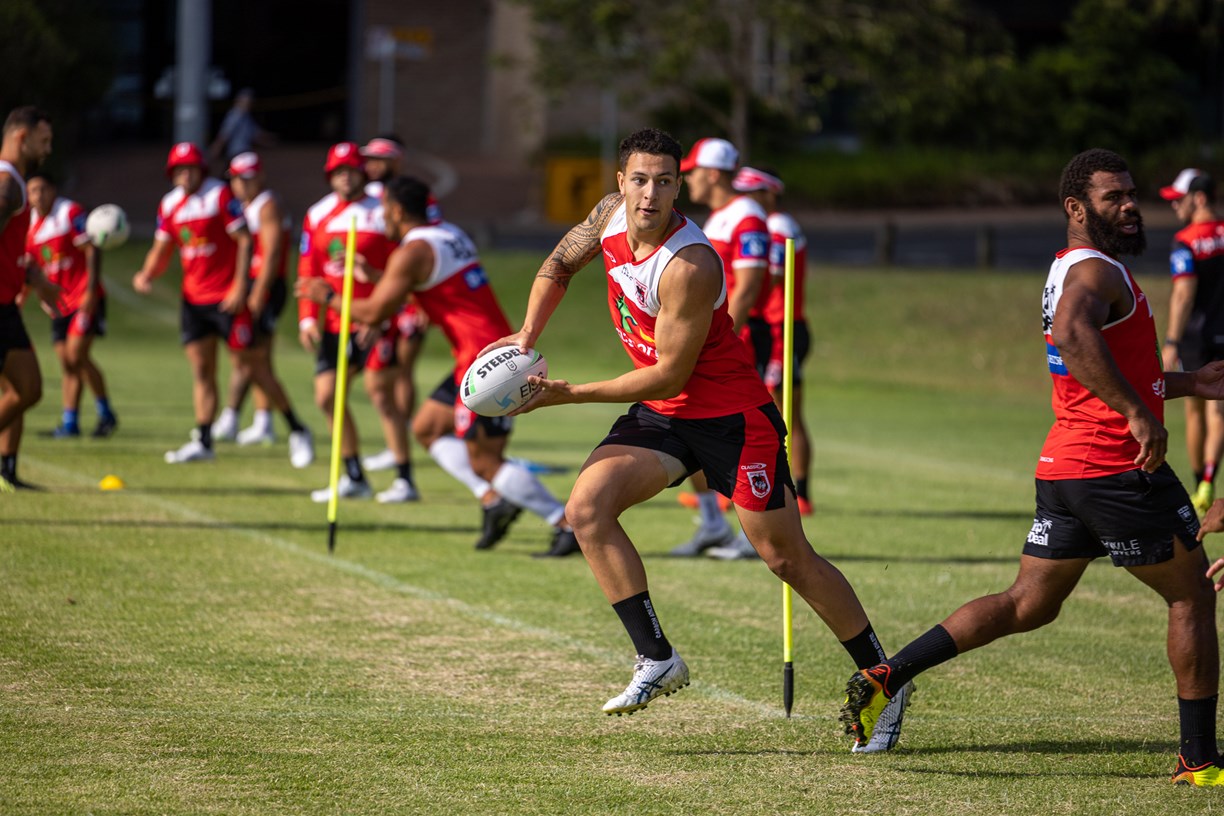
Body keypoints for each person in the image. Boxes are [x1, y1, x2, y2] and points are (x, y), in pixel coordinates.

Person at [487, 128, 910, 749]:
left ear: (679, 185)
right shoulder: (605, 219)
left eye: (664, 180)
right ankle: (655, 657)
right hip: (664, 413)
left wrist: (565, 395)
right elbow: (558, 264)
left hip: (731, 415)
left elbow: (669, 372)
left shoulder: (691, 263)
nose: (649, 193)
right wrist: (526, 336)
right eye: (639, 179)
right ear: (619, 183)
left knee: (786, 557)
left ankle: (886, 680)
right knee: (586, 510)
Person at [839, 148, 1224, 781]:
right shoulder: (1094, 274)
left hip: (1065, 467)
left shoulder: (1069, 267)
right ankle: (1201, 761)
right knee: (1190, 601)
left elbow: (1110, 365)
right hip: (1116, 468)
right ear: (1076, 208)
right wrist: (1136, 413)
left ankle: (889, 674)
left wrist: (1187, 385)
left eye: (1132, 194)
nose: (1129, 206)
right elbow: (1075, 339)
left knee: (1028, 604)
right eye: (1112, 198)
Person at [298, 175, 579, 556]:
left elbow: (376, 309)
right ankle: (493, 500)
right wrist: (379, 277)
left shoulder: (412, 251)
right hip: (481, 352)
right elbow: (431, 288)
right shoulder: (447, 234)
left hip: (489, 362)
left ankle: (565, 524)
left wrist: (326, 294)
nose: (383, 219)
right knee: (427, 427)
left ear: (397, 210)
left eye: (385, 212)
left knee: (486, 461)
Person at [669, 137, 772, 559]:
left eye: (690, 171)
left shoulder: (746, 216)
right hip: (711, 342)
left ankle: (758, 532)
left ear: (712, 173)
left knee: (744, 439)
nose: (687, 178)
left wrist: (726, 339)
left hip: (735, 343)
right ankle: (713, 523)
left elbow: (747, 288)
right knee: (683, 423)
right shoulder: (718, 219)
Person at [296, 142, 414, 503]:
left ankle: (404, 478)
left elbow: (403, 266)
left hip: (375, 319)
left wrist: (383, 313)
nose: (345, 177)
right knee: (327, 396)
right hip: (335, 321)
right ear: (330, 175)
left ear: (363, 172)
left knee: (381, 395)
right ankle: (353, 474)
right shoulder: (317, 214)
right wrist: (306, 319)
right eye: (338, 171)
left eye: (351, 170)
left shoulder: (383, 209)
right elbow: (308, 269)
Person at [133, 142, 252, 463]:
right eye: (179, 170)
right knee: (202, 369)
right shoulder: (169, 204)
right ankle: (204, 440)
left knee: (250, 365)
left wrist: (241, 285)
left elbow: (244, 239)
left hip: (227, 297)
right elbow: (163, 248)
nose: (186, 174)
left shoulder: (220, 195)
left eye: (191, 168)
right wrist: (147, 274)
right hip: (194, 300)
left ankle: (293, 428)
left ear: (202, 170)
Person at [209, 152, 313, 467]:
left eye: (247, 177)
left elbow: (271, 253)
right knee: (250, 359)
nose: (241, 184)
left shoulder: (267, 205)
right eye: (237, 178)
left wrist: (257, 293)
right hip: (250, 287)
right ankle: (256, 420)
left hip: (263, 288)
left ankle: (294, 428)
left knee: (252, 361)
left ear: (260, 177)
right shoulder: (244, 206)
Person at [731, 167, 811, 517]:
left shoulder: (778, 226)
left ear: (770, 193)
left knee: (784, 410)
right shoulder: (763, 224)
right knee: (762, 407)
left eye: (751, 193)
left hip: (784, 330)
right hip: (769, 328)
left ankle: (799, 492)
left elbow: (772, 274)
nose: (744, 201)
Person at [25, 171, 119, 439]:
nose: (38, 196)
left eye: (42, 189)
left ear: (53, 190)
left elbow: (91, 249)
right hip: (60, 304)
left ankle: (106, 413)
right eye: (32, 191)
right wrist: (40, 296)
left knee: (77, 356)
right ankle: (70, 423)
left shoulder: (70, 212)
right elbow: (33, 268)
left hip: (84, 298)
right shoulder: (31, 226)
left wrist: (91, 291)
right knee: (67, 363)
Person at [1160, 168, 1224, 515]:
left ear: (1199, 198)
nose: (1175, 207)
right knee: (1220, 409)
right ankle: (1209, 479)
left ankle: (1200, 481)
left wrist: (1171, 340)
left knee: (1196, 407)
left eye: (1179, 200)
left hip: (1196, 337)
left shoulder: (1186, 240)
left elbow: (1183, 294)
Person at [0, 106, 57, 491]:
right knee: (25, 388)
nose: (48, 148)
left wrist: (34, 277)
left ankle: (7, 468)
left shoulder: (13, 180)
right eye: (44, 139)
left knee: (27, 388)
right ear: (22, 136)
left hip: (6, 305)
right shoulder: (9, 184)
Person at [208, 88, 273, 163]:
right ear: (239, 101)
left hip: (245, 152)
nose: (248, 103)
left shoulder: (246, 116)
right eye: (246, 101)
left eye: (249, 101)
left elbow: (256, 134)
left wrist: (270, 139)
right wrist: (217, 147)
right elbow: (225, 133)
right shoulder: (235, 115)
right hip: (236, 153)